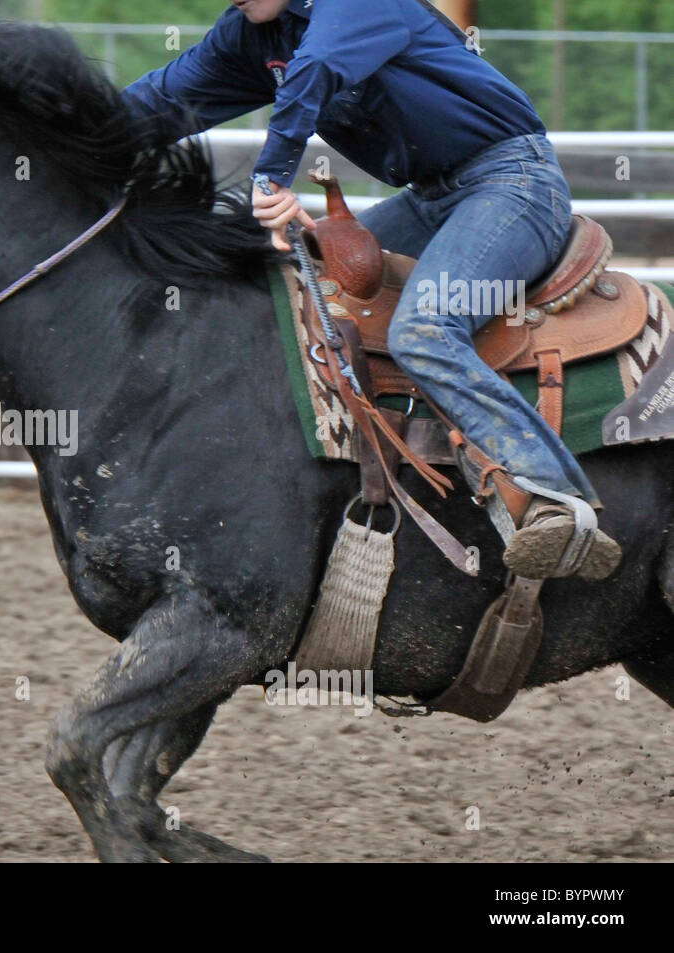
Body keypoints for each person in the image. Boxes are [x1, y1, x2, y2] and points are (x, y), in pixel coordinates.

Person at [123, 0, 621, 580]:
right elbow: (157, 101)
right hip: (430, 198)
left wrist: (272, 176)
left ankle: (556, 501)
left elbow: (317, 69)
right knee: (296, 297)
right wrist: (47, 123)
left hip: (513, 181)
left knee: (426, 330)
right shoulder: (251, 34)